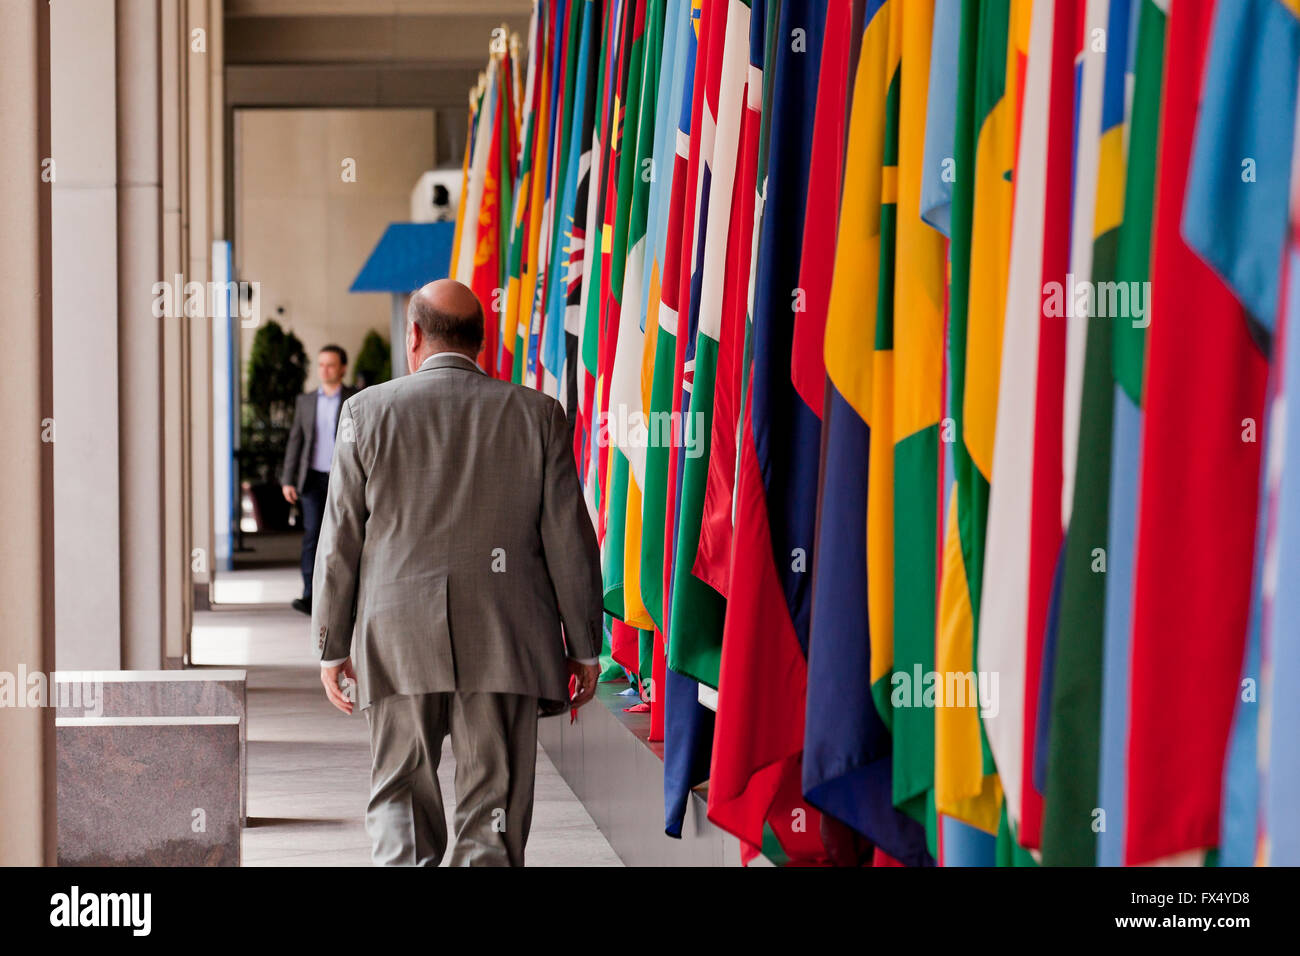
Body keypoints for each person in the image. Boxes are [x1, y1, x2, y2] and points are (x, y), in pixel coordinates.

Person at [310, 279, 602, 867]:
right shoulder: (538, 414)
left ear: (412, 336)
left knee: (399, 796)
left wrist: (330, 644)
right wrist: (586, 645)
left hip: (396, 642)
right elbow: (570, 539)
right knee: (492, 810)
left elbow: (340, 538)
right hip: (505, 640)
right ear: (482, 341)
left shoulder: (364, 412)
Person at [280, 344, 357, 616]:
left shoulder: (354, 399)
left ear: (343, 368)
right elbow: (296, 441)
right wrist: (288, 479)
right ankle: (310, 595)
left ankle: (343, 596)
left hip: (344, 478)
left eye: (331, 364)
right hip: (312, 479)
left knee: (343, 536)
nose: (324, 369)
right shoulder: (306, 401)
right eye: (321, 364)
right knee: (313, 534)